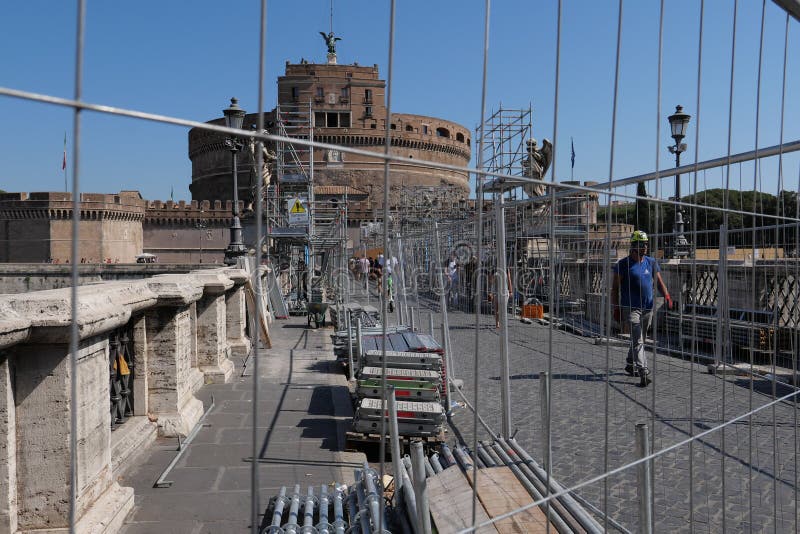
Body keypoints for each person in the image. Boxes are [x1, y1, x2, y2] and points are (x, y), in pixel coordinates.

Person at [611, 231, 673, 387]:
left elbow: (659, 282)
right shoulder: (622, 265)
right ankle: (643, 371)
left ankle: (629, 363)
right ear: (633, 246)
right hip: (630, 308)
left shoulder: (651, 262)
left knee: (640, 340)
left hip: (648, 308)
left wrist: (667, 296)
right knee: (638, 339)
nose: (645, 247)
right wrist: (616, 308)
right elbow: (615, 289)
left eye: (646, 244)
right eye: (641, 244)